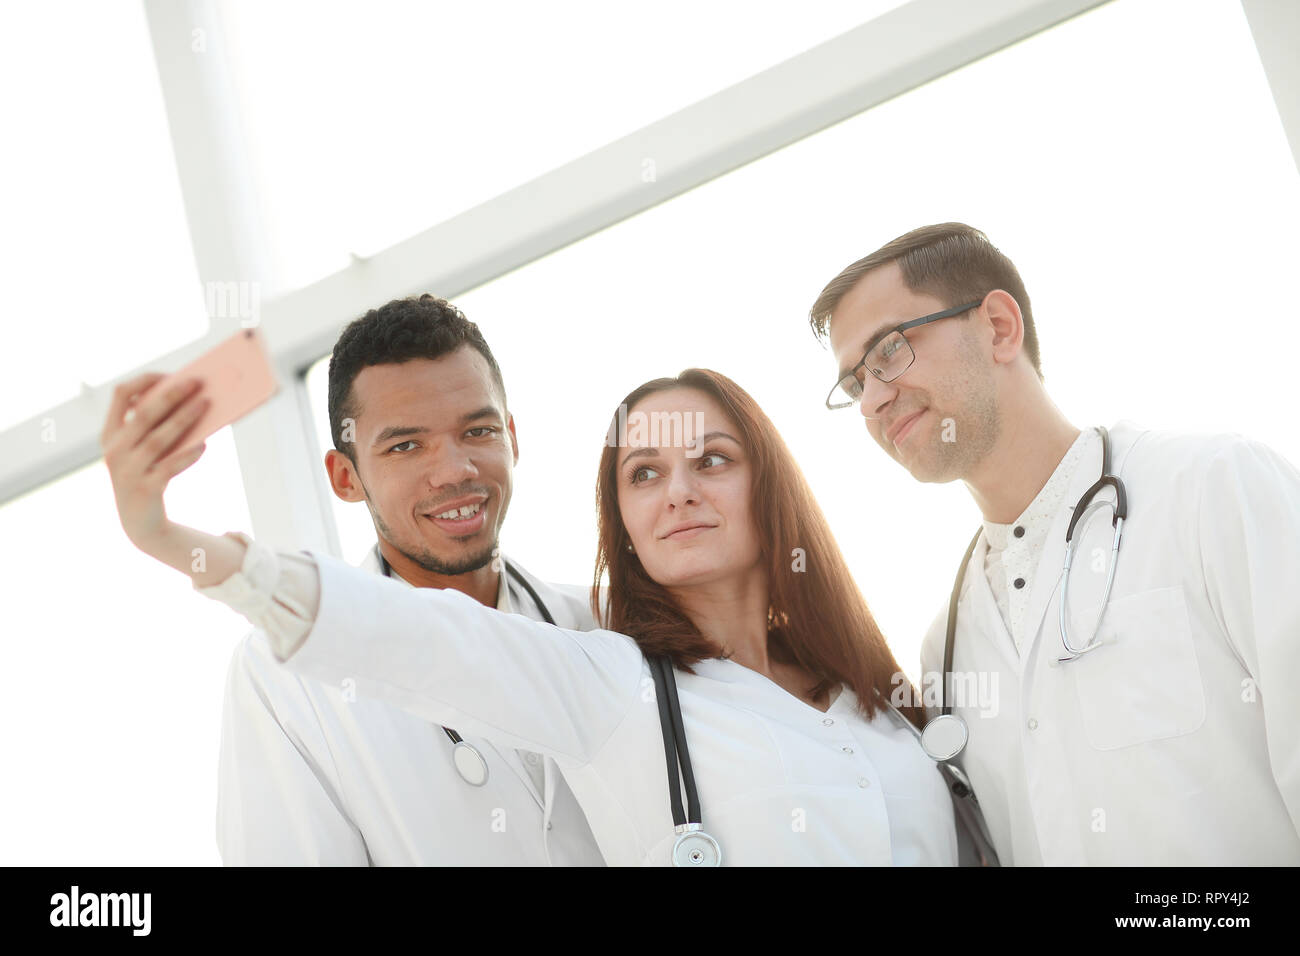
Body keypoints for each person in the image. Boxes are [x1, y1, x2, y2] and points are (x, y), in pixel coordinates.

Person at [102, 366, 962, 866]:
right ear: (619, 516)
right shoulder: (607, 674)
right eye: (645, 474)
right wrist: (175, 542)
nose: (683, 492)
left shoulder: (875, 689)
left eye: (713, 459)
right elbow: (415, 636)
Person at [807, 221, 1300, 865]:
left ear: (999, 328)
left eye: (890, 353)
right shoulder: (946, 649)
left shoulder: (1212, 490)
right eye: (854, 385)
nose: (872, 400)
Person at [107, 294, 606, 865]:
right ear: (345, 477)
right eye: (406, 445)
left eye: (478, 431)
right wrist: (161, 533)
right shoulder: (284, 681)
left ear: (512, 438)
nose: (455, 471)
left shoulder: (606, 623)